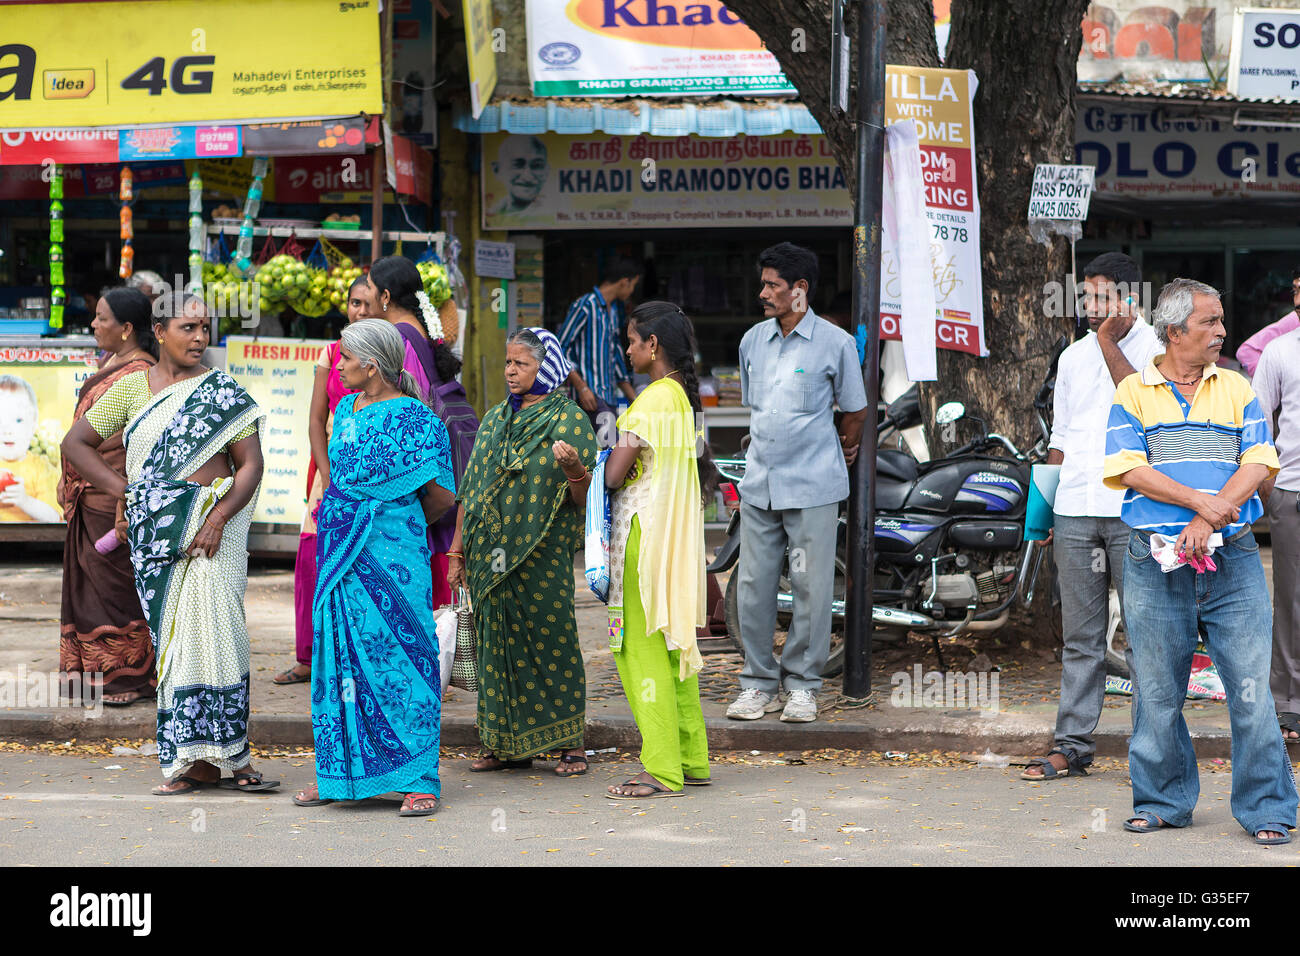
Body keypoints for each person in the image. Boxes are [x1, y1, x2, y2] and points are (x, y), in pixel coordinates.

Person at [1104, 277, 1298, 844]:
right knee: (1158, 689)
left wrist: (1208, 519)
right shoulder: (1134, 392)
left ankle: (1268, 808)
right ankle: (1163, 801)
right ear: (1174, 332)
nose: (1222, 332)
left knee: (1250, 690)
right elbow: (1128, 466)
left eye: (1220, 321)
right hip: (1153, 557)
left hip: (1231, 558)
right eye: (1210, 323)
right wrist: (1197, 504)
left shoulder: (1235, 387)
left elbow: (1260, 461)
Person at [61, 294, 277, 795]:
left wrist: (220, 516)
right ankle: (192, 763)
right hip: (159, 537)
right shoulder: (132, 388)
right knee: (177, 647)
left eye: (205, 328)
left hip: (212, 535)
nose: (200, 338)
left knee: (224, 640)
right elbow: (75, 444)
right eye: (189, 327)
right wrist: (128, 493)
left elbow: (251, 464)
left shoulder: (222, 390)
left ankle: (234, 755)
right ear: (159, 332)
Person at [292, 320, 457, 816]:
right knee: (338, 656)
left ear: (373, 365)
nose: (338, 367)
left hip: (395, 557)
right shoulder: (345, 409)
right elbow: (339, 479)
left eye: (346, 359)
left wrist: (395, 523)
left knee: (403, 655)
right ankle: (339, 775)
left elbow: (443, 495)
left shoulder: (417, 419)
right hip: (340, 551)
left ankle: (417, 778)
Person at [1022, 252, 1162, 781]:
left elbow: (1141, 405)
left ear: (1129, 299)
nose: (1088, 306)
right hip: (1077, 507)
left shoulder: (1157, 348)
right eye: (1085, 296)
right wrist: (1046, 512)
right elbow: (1060, 438)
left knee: (1146, 636)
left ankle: (1150, 752)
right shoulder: (1073, 356)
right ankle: (1073, 745)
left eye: (1100, 296)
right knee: (1081, 638)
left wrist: (1108, 341)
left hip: (1134, 510)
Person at [727, 242, 869, 723]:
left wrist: (844, 448)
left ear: (800, 290)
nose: (762, 292)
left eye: (773, 285)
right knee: (753, 586)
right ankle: (758, 683)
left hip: (813, 486)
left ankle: (803, 686)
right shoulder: (751, 342)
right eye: (763, 283)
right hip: (760, 482)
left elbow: (855, 411)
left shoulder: (837, 342)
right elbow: (756, 407)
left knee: (811, 588)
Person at [448, 327, 598, 776]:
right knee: (496, 645)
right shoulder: (495, 419)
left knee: (551, 640)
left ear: (545, 368)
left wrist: (573, 469)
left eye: (522, 364)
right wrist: (456, 553)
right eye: (509, 363)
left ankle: (569, 744)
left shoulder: (568, 419)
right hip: (487, 556)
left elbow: (586, 499)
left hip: (542, 555)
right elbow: (470, 492)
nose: (512, 372)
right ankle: (504, 744)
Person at [602, 302, 716, 798]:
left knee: (639, 649)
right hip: (671, 540)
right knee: (670, 647)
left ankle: (661, 767)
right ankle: (689, 758)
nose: (627, 349)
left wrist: (589, 464)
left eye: (631, 340)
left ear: (653, 345)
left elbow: (611, 476)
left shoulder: (650, 401)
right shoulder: (681, 400)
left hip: (641, 540)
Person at [58, 287, 158, 706]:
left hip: (112, 496)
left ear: (127, 329)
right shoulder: (112, 363)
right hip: (89, 496)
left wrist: (122, 492)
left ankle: (127, 678)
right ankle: (95, 675)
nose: (94, 324)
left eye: (102, 318)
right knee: (90, 589)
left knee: (117, 589)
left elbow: (136, 443)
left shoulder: (140, 373)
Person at [363, 255, 479, 610]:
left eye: (367, 289)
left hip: (424, 471)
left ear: (384, 296)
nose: (364, 298)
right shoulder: (419, 330)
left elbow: (411, 409)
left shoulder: (401, 338)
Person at [274, 277, 367, 685]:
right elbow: (315, 419)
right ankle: (307, 656)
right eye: (353, 303)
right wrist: (326, 476)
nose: (359, 311)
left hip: (366, 472)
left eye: (366, 303)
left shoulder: (383, 354)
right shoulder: (331, 354)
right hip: (327, 469)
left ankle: (347, 657)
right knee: (311, 556)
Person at [1244, 309, 1300, 743]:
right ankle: (1287, 703)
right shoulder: (1279, 351)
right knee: (1291, 600)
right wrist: (1268, 488)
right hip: (1293, 490)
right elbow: (1258, 424)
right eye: (1297, 289)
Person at [557, 257, 641, 436]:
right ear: (624, 282)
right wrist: (582, 388)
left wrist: (634, 398)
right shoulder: (585, 306)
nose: (632, 291)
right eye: (633, 285)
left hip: (608, 398)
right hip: (590, 398)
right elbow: (559, 349)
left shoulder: (613, 311)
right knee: (616, 447)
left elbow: (616, 358)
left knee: (611, 450)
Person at [0, 374, 61, 522]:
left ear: (33, 425)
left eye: (18, 420)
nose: (8, 430)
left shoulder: (42, 468)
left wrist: (25, 501)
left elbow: (54, 519)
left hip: (30, 542)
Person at [1234, 269, 1300, 377]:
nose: (1297, 301)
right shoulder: (1295, 319)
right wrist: (1275, 381)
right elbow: (1246, 352)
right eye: (1295, 292)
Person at [488, 135, 550, 216]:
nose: (528, 177)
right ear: (497, 170)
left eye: (537, 165)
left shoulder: (550, 212)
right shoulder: (495, 212)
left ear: (547, 171)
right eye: (518, 165)